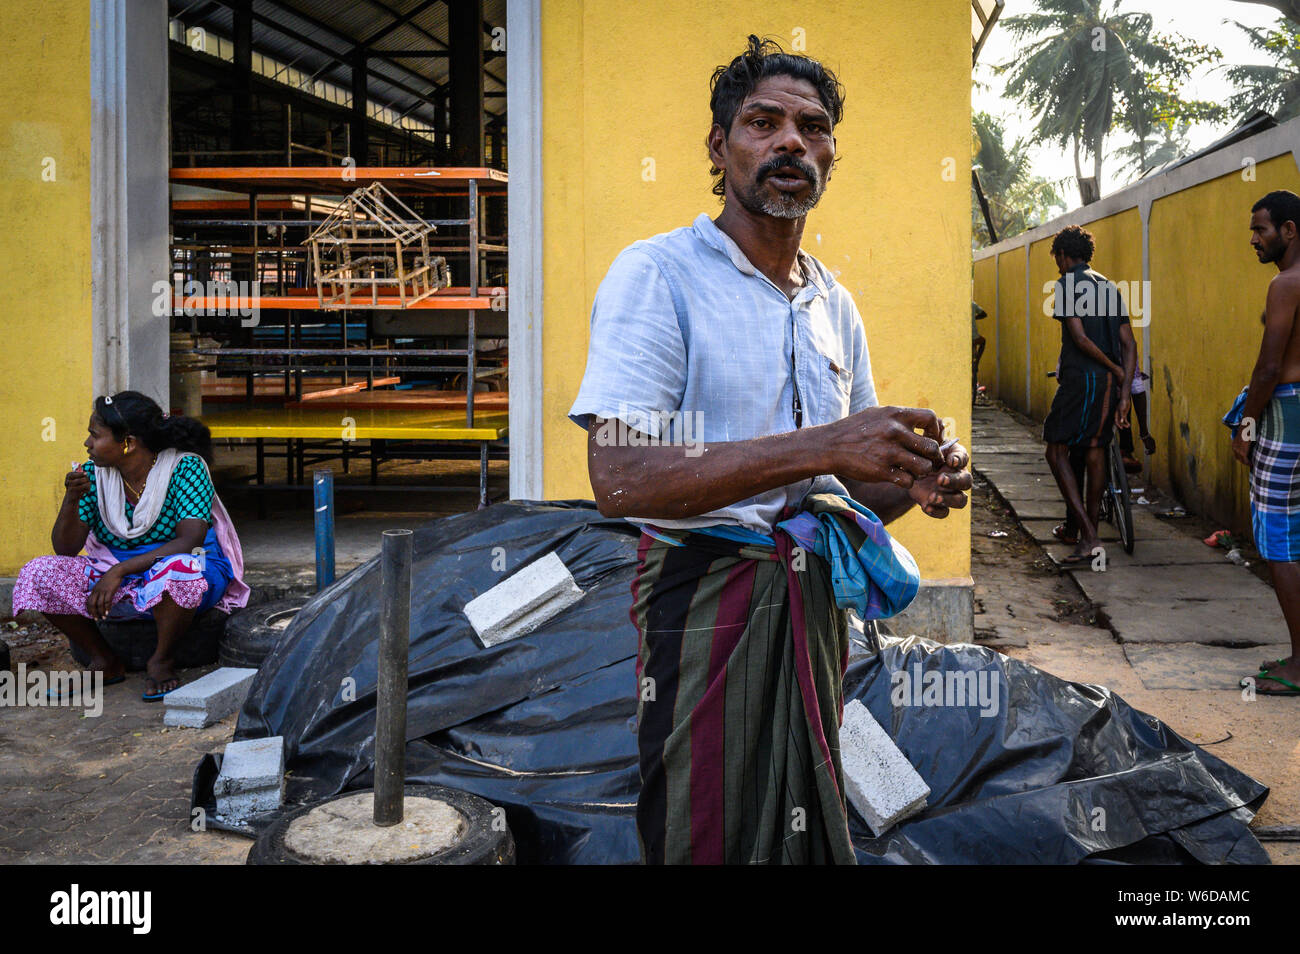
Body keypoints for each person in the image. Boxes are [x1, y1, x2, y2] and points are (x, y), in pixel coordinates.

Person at [568, 35, 970, 864]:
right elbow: (621, 474)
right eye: (764, 123)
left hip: (813, 600)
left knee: (803, 809)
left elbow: (848, 487)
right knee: (705, 820)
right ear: (720, 150)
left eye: (812, 128)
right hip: (702, 599)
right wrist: (827, 441)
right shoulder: (661, 276)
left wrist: (919, 480)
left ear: (830, 156)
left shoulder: (834, 304)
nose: (792, 141)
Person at [12, 391, 249, 700]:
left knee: (180, 571)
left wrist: (120, 571)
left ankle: (161, 659)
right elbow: (66, 549)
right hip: (116, 571)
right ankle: (104, 660)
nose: (87, 444)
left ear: (128, 442)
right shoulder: (93, 475)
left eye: (95, 436)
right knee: (39, 573)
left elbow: (189, 542)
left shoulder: (185, 468)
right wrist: (71, 500)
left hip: (189, 566)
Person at [1235, 189, 1300, 696]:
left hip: (1286, 422)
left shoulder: (1286, 285)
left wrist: (1247, 425)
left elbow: (1270, 367)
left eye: (1261, 229)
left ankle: (1299, 666)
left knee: (1279, 541)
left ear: (1289, 230)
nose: (1254, 239)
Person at [1041, 225, 1136, 564]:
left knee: (1056, 450)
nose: (1058, 266)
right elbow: (1129, 343)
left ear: (1065, 256)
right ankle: (1086, 534)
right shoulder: (1110, 287)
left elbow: (1079, 338)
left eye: (1058, 259)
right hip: (1109, 385)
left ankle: (1090, 537)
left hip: (1082, 380)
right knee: (1095, 449)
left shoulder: (1067, 284)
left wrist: (1113, 368)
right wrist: (1123, 387)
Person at [972, 301, 988, 404]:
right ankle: (977, 361)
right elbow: (984, 314)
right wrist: (975, 318)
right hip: (974, 338)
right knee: (983, 341)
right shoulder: (972, 304)